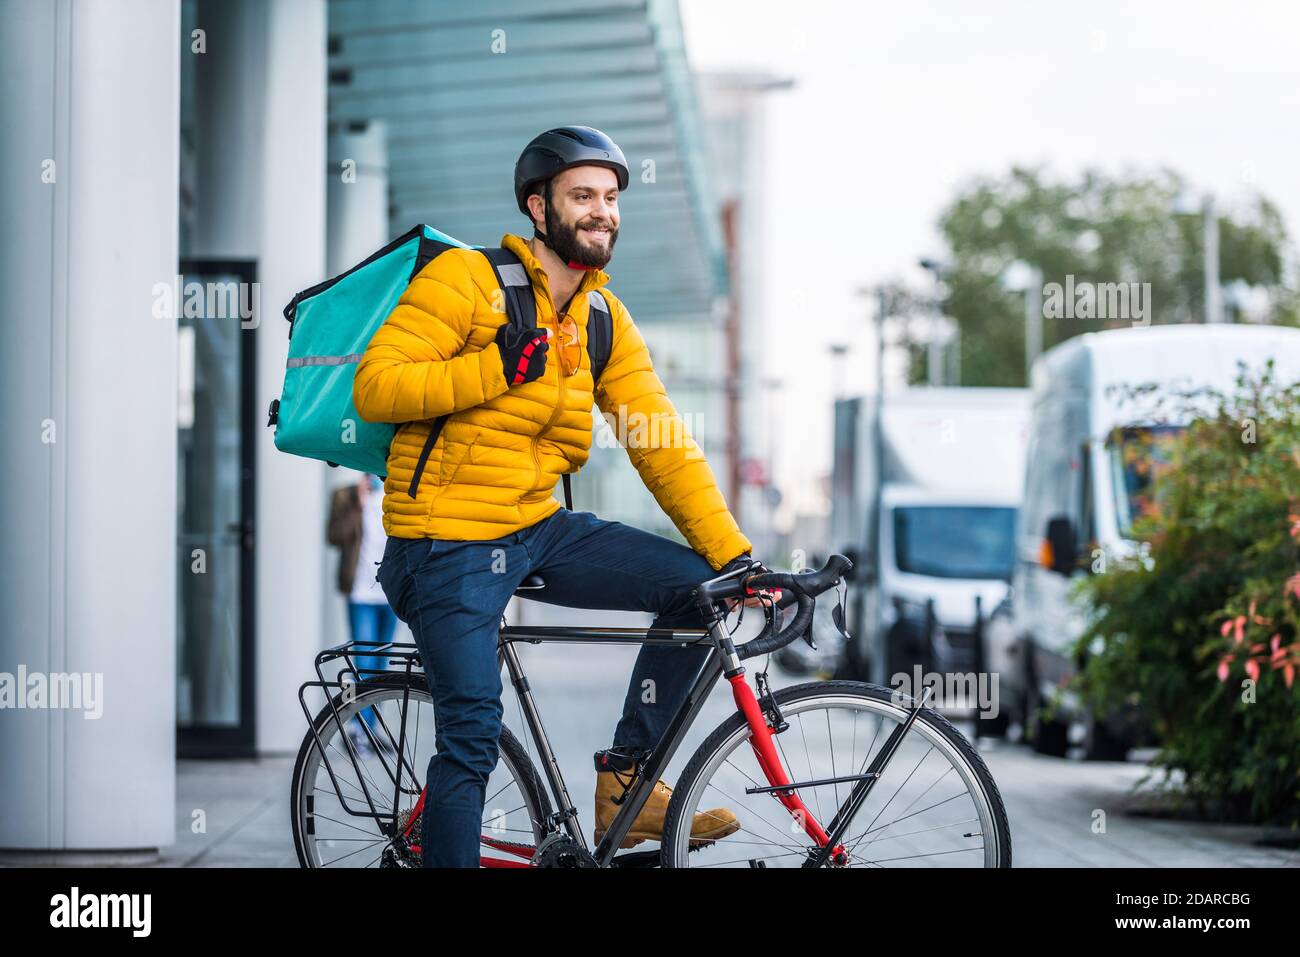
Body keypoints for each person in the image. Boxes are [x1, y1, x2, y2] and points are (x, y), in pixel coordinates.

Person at [353, 125, 756, 867]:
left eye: (610, 197)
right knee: (471, 731)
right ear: (539, 209)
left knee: (701, 588)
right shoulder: (467, 280)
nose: (601, 211)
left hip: (536, 528)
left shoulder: (602, 319)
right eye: (582, 196)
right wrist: (492, 368)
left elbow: (657, 436)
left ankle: (625, 783)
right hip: (443, 541)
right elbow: (376, 385)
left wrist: (736, 555)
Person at [326, 473, 398, 741]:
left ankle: (373, 727)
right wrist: (358, 503)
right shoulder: (345, 495)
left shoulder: (398, 493)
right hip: (360, 593)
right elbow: (334, 537)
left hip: (391, 594)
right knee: (363, 662)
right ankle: (358, 728)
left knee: (382, 665)